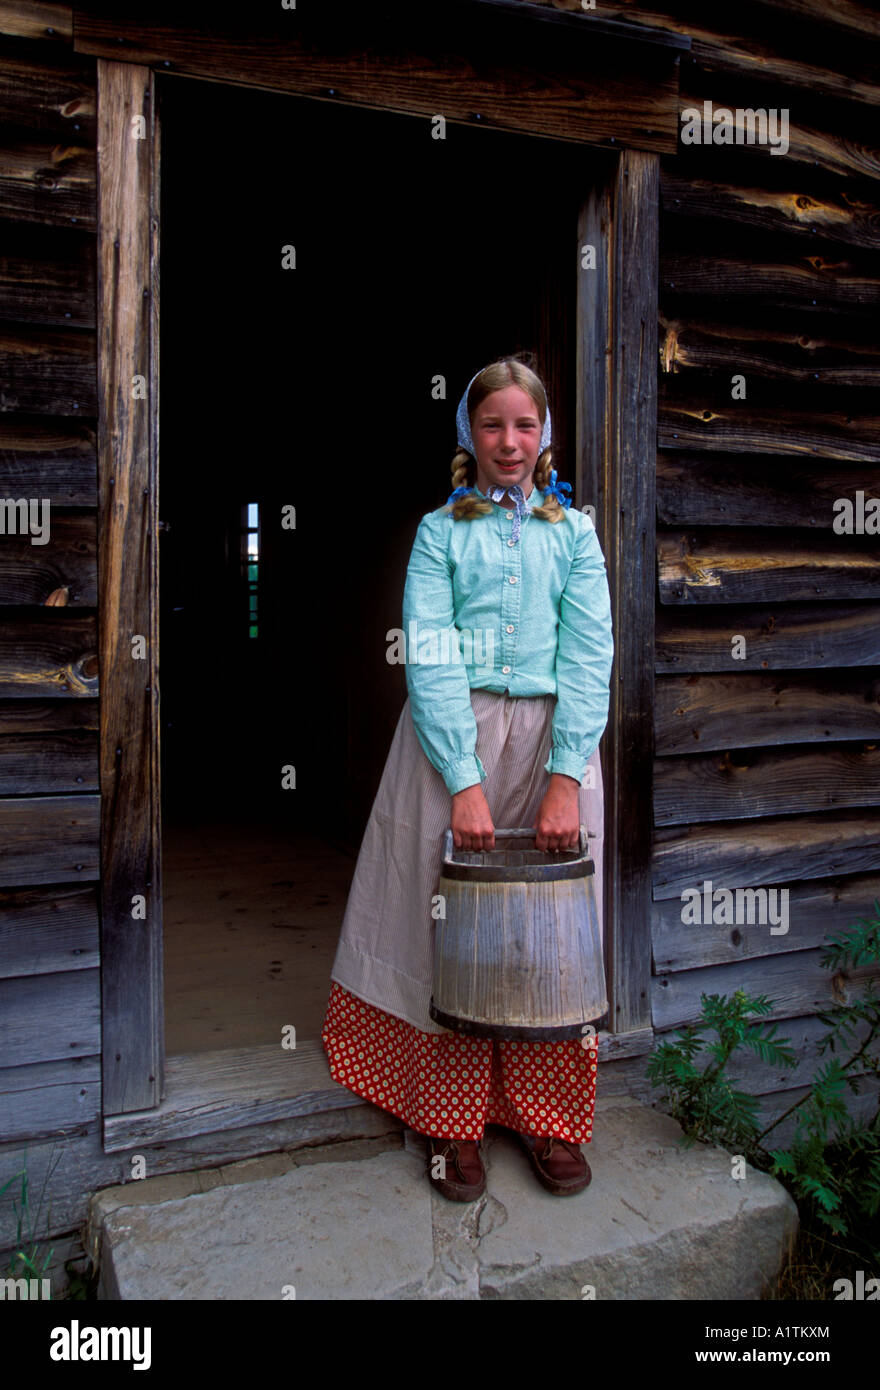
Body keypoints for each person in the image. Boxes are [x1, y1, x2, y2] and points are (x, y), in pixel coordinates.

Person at [321, 356, 614, 1201]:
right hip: (452, 741)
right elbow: (431, 648)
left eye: (525, 425)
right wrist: (463, 777)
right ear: (468, 435)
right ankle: (449, 1122)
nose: (510, 442)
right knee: (447, 926)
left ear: (545, 432)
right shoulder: (439, 533)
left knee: (546, 937)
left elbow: (589, 653)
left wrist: (566, 775)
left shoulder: (576, 533)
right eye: (494, 425)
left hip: (558, 739)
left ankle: (546, 1116)